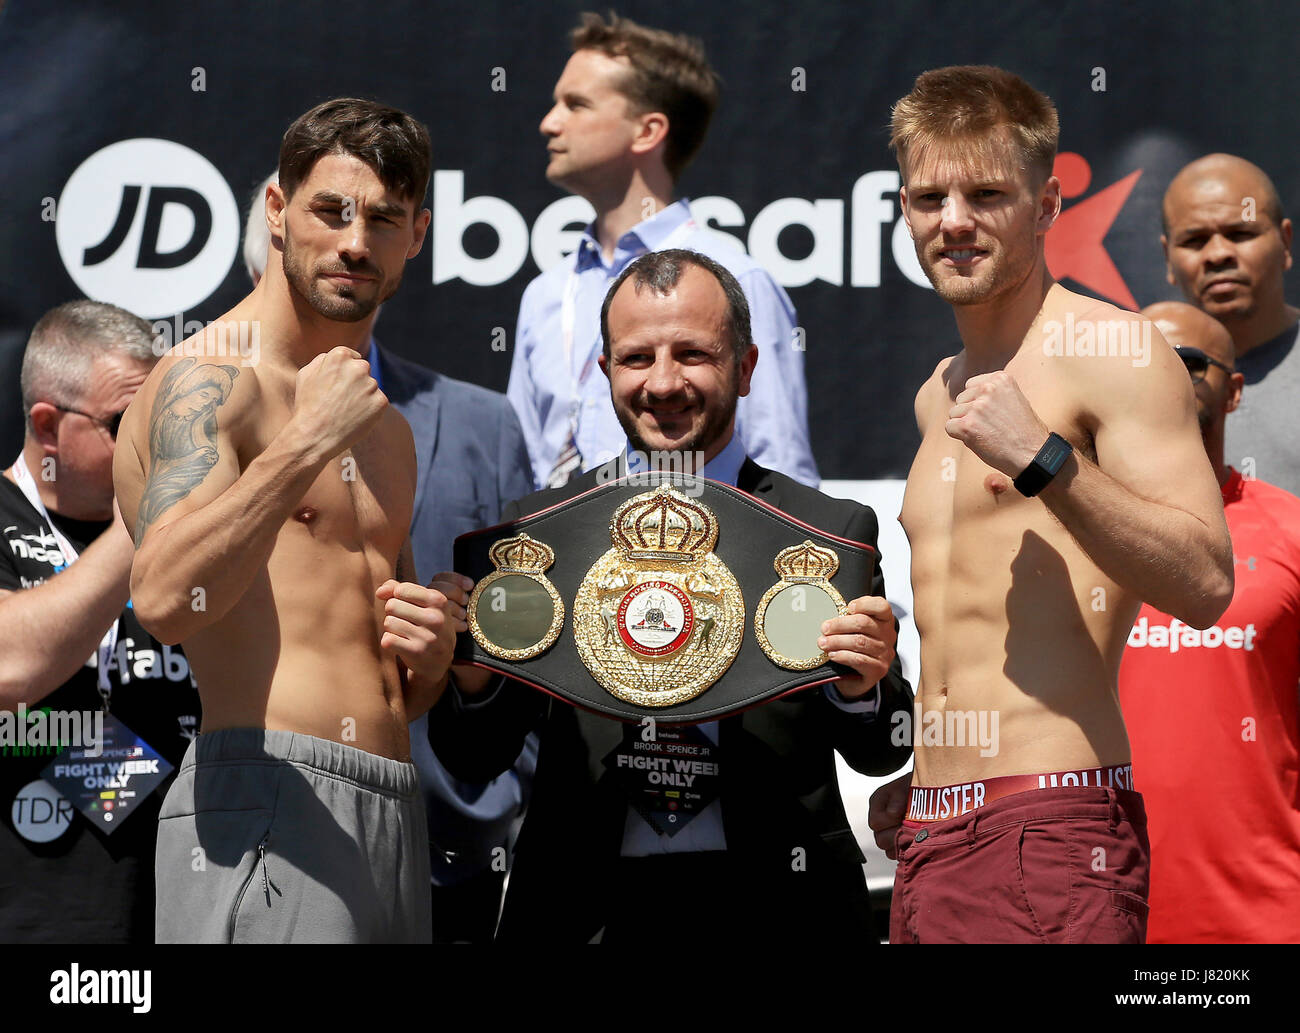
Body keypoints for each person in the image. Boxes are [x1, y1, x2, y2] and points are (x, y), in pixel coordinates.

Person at [429, 249, 913, 943]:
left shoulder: (827, 531)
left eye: (692, 354)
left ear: (744, 369)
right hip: (584, 912)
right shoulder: (538, 531)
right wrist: (476, 682)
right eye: (635, 358)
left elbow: (882, 748)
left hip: (780, 908)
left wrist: (859, 687)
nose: (663, 382)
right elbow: (475, 758)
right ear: (604, 372)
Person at [867, 65, 1233, 944]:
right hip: (928, 838)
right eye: (928, 197)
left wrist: (1045, 459)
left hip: (1055, 829)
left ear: (1047, 204)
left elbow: (1207, 582)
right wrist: (924, 783)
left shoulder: (1113, 347)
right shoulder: (934, 396)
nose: (953, 221)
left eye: (986, 193)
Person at [113, 98, 466, 943]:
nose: (356, 241)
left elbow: (395, 688)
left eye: (384, 219)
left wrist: (435, 650)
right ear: (277, 212)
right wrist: (304, 442)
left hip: (390, 805)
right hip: (266, 793)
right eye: (331, 211)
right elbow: (164, 597)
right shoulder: (203, 382)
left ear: (416, 235)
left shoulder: (385, 429)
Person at [243, 173, 536, 942]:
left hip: (463, 848)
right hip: (275, 838)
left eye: (373, 227)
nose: (345, 254)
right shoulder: (210, 410)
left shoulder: (482, 422)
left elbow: (530, 625)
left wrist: (500, 786)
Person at [508, 11, 818, 491]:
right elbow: (520, 473)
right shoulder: (547, 292)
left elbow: (782, 473)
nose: (550, 123)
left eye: (577, 104)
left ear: (647, 131)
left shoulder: (739, 280)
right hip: (560, 552)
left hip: (702, 555)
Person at [0, 301, 200, 943]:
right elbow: (12, 667)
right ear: (48, 426)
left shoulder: (186, 533)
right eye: (126, 424)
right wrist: (139, 520)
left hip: (178, 904)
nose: (152, 448)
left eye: (159, 422)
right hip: (30, 906)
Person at [1120, 301, 1300, 943]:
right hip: (1096, 910)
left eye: (1190, 363)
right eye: (1147, 361)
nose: (1167, 376)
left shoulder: (1293, 533)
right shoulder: (1068, 532)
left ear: (1235, 390)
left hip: (1268, 918)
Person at [1161, 153, 1300, 495]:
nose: (1217, 254)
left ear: (1284, 242)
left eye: (1240, 233)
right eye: (1195, 241)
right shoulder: (1134, 378)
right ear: (1168, 258)